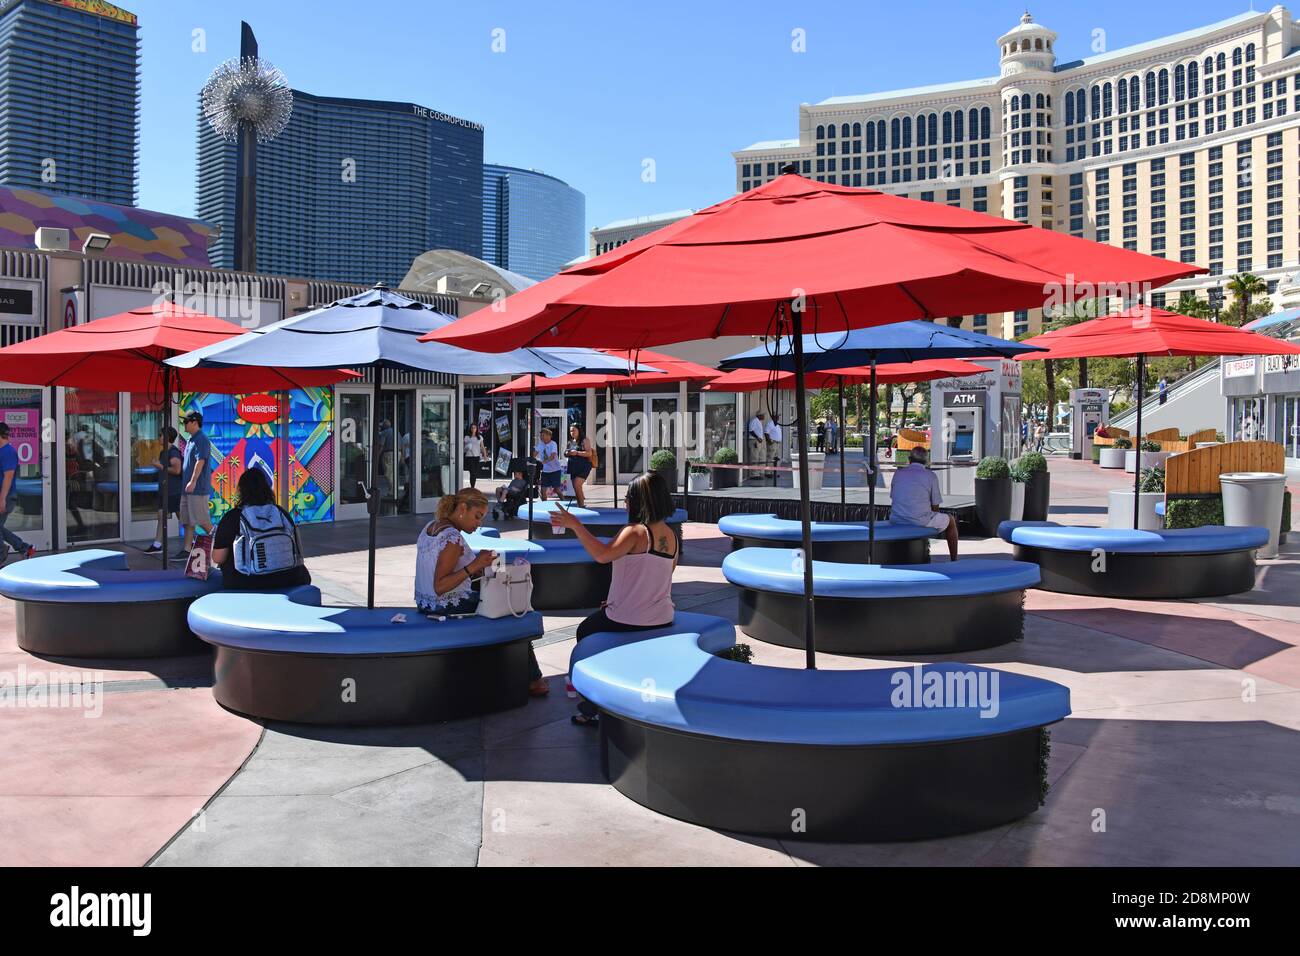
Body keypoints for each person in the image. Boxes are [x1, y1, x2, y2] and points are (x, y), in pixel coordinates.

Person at [550, 472, 679, 727]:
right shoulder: (671, 535)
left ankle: (592, 702)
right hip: (663, 616)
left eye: (628, 498)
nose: (625, 504)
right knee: (600, 624)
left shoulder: (635, 532)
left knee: (586, 631)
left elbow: (602, 555)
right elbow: (658, 577)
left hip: (631, 618)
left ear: (639, 501)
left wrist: (575, 524)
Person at [416, 488, 550, 698]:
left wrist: (475, 568)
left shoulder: (431, 527)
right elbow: (440, 586)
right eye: (477, 516)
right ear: (462, 508)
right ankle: (533, 679)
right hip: (448, 606)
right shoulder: (452, 538)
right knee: (512, 612)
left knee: (498, 602)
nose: (479, 523)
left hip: (426, 605)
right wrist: (474, 565)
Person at [210, 469, 311, 590]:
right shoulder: (281, 513)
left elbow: (218, 558)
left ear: (241, 491)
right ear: (267, 489)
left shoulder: (232, 517)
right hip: (290, 579)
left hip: (248, 583)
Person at [888, 447, 958, 561]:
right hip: (919, 520)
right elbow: (935, 505)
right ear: (926, 461)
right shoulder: (930, 476)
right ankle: (954, 559)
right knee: (951, 521)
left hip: (896, 518)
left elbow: (893, 496)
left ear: (909, 459)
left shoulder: (898, 473)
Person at [177, 411, 214, 560]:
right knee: (187, 521)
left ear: (194, 422)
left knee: (203, 521)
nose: (184, 424)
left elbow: (201, 461)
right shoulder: (191, 439)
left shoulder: (202, 439)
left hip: (197, 490)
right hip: (188, 490)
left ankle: (222, 544)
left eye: (186, 421)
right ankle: (187, 550)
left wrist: (193, 481)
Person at [145, 425, 184, 555]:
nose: (159, 438)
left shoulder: (173, 452)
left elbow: (177, 469)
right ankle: (157, 544)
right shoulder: (164, 452)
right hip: (165, 490)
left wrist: (160, 466)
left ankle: (194, 542)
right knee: (161, 516)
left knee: (182, 517)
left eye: (160, 435)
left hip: (173, 491)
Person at [0, 422, 35, 563]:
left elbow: (8, 477)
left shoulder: (8, 452)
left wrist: (2, 499)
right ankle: (24, 548)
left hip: (6, 496)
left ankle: (3, 552)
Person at [565, 423, 596, 507]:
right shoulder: (570, 442)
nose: (572, 432)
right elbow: (566, 452)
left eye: (574, 430)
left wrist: (576, 453)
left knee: (577, 484)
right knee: (576, 487)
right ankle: (581, 505)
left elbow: (589, 453)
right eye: (571, 431)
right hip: (573, 466)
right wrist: (567, 453)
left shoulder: (585, 440)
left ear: (579, 430)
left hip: (583, 466)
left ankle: (581, 505)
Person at [535, 426, 562, 501]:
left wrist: (545, 461)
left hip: (555, 470)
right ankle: (544, 506)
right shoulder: (540, 444)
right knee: (543, 490)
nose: (541, 437)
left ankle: (564, 503)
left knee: (557, 490)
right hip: (545, 471)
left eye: (543, 435)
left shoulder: (553, 444)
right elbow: (535, 453)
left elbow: (553, 456)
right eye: (540, 435)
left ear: (549, 435)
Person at [462, 424, 486, 489]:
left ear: (476, 429)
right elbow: (463, 448)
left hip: (477, 457)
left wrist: (485, 456)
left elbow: (482, 447)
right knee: (472, 472)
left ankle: (473, 486)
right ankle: (472, 487)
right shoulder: (467, 437)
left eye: (474, 428)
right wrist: (467, 447)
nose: (473, 429)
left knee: (475, 473)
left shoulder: (479, 437)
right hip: (469, 457)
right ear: (470, 429)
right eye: (472, 428)